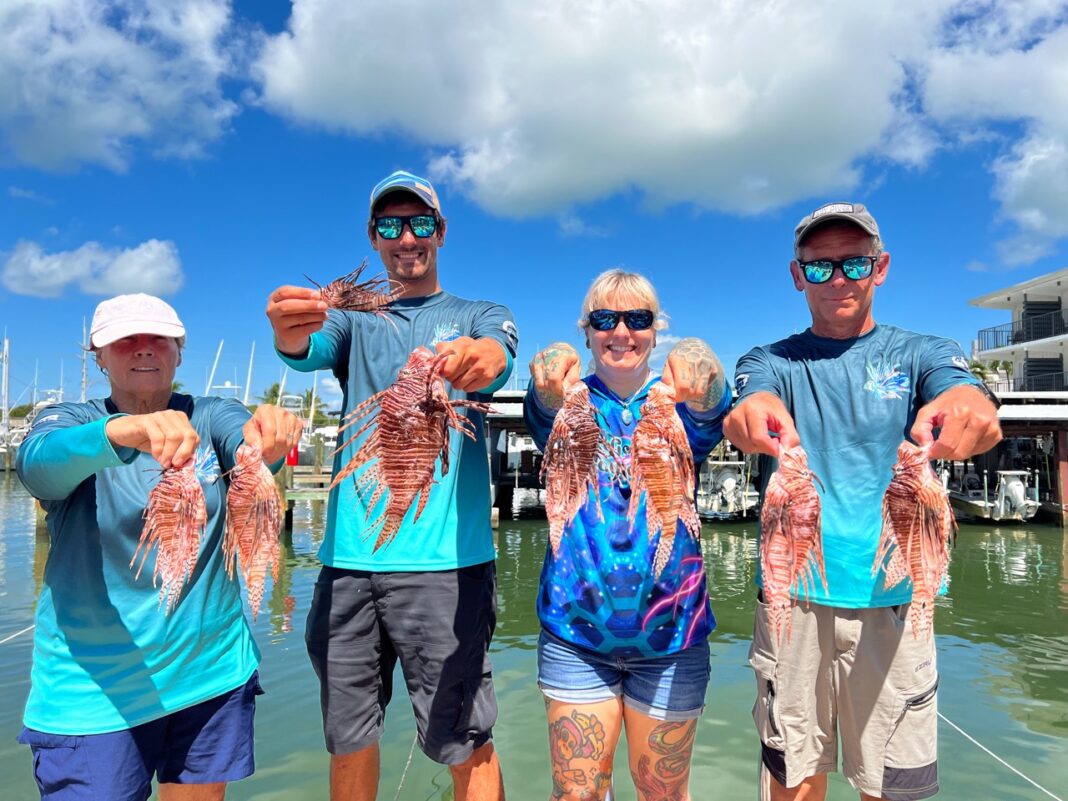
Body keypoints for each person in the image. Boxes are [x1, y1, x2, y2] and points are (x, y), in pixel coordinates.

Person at [723, 202, 1002, 801]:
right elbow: (750, 405)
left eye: (854, 263)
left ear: (881, 268)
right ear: (797, 276)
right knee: (793, 773)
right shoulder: (770, 359)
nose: (839, 279)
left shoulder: (922, 351)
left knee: (894, 785)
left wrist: (968, 416)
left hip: (897, 598)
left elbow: (968, 399)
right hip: (792, 596)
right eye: (820, 268)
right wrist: (752, 419)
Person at [265, 170, 518, 801]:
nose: (406, 237)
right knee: (348, 738)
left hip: (446, 569)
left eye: (420, 223)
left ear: (441, 232)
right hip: (347, 565)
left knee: (465, 739)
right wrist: (290, 321)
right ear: (373, 238)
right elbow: (301, 346)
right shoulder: (354, 324)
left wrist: (472, 361)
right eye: (389, 225)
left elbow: (494, 357)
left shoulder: (478, 312)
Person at [15, 293, 302, 801]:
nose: (143, 349)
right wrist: (124, 432)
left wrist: (266, 440)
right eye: (126, 340)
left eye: (158, 339)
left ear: (178, 351)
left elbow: (245, 442)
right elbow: (39, 463)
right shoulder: (69, 418)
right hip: (95, 694)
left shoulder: (209, 414)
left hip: (211, 675)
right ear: (98, 355)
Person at [524, 269, 731, 801]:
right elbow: (542, 407)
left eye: (637, 319)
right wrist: (547, 378)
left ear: (655, 329)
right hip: (577, 634)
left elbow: (714, 407)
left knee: (663, 793)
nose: (622, 332)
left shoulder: (678, 405)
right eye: (605, 319)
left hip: (673, 634)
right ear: (587, 330)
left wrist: (702, 367)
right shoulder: (570, 405)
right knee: (577, 794)